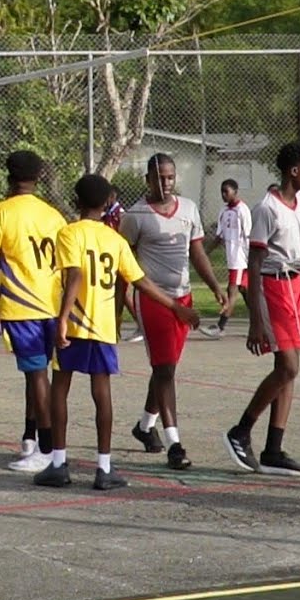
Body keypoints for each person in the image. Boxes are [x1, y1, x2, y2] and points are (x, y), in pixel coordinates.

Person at [35, 174, 200, 491]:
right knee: (102, 393)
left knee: (61, 386)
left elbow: (74, 277)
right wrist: (174, 306)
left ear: (77, 200)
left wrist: (62, 320)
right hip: (103, 324)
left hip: (75, 323)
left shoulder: (69, 234)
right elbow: (141, 281)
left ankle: (58, 462)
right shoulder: (115, 240)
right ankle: (104, 467)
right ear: (108, 201)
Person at [0, 150, 68, 472]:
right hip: (52, 302)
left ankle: (48, 449)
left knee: (36, 375)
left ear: (9, 176)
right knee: (37, 375)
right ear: (38, 178)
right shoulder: (54, 215)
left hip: (24, 307)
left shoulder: (1, 212)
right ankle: (31, 438)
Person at [221, 142, 300, 476]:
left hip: (294, 284)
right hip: (273, 287)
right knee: (287, 367)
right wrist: (255, 321)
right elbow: (254, 263)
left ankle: (274, 449)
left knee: (291, 368)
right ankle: (240, 431)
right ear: (294, 171)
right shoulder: (267, 208)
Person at [120, 153, 226, 471]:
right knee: (165, 370)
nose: (165, 183)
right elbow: (125, 264)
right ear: (148, 180)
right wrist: (122, 306)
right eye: (158, 178)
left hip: (185, 298)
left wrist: (215, 286)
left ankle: (144, 425)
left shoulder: (189, 208)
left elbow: (196, 253)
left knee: (165, 369)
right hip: (154, 300)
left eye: (169, 177)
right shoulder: (135, 215)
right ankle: (174, 443)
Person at [202, 179, 252, 339]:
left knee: (232, 291)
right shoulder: (223, 211)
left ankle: (220, 326)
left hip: (241, 258)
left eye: (226, 191)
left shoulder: (242, 210)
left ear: (235, 192)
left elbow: (248, 236)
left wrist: (251, 258)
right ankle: (261, 322)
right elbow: (219, 236)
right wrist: (204, 253)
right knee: (246, 291)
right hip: (232, 258)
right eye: (222, 191)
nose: (223, 195)